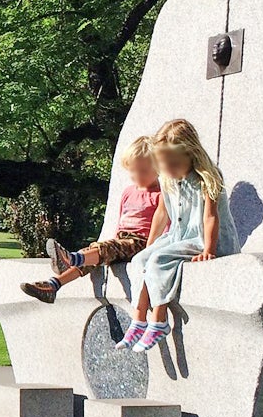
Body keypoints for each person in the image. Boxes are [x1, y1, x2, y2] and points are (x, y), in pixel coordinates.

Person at [117, 118, 226, 353]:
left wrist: (209, 249)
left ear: (191, 155)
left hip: (201, 238)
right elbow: (162, 213)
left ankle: (159, 320)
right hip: (177, 236)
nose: (167, 171)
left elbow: (210, 217)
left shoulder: (206, 177)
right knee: (141, 260)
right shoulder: (168, 179)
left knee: (160, 260)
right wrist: (150, 244)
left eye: (173, 165)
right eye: (163, 165)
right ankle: (139, 319)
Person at [20, 136, 161, 304]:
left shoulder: (159, 195)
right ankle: (54, 285)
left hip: (141, 243)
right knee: (90, 255)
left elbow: (164, 225)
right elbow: (121, 219)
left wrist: (152, 250)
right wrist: (115, 237)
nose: (137, 175)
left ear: (159, 168)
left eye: (143, 171)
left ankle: (70, 259)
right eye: (132, 170)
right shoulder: (128, 192)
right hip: (122, 239)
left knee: (101, 249)